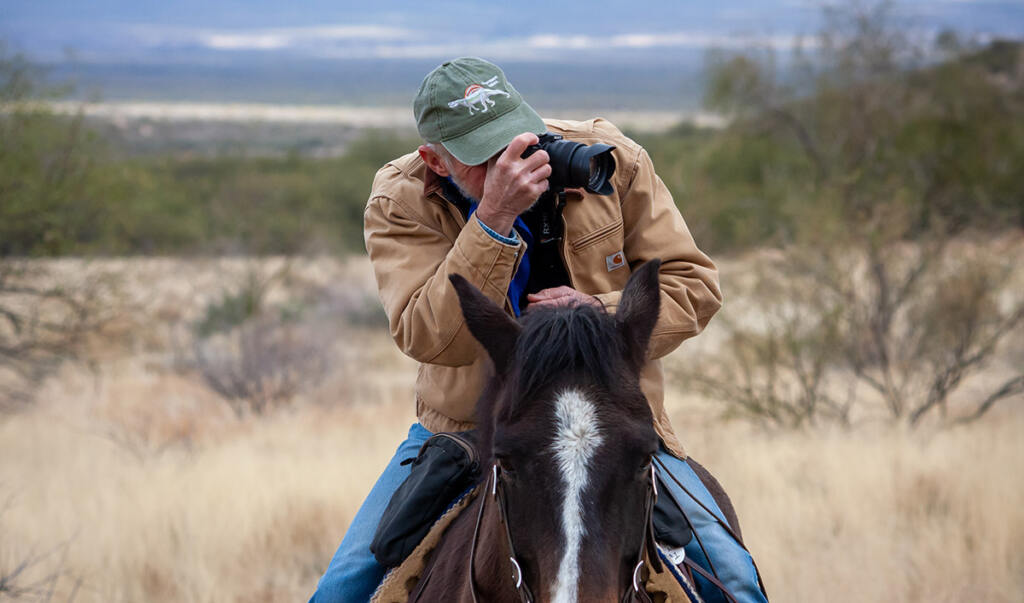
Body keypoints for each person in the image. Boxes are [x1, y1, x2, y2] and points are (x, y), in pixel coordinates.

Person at [310, 57, 766, 603]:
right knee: (341, 591)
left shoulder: (611, 161)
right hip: (463, 429)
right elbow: (429, 336)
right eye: (484, 157)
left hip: (610, 427)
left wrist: (599, 311)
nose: (512, 163)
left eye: (514, 138)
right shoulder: (398, 200)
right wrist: (493, 219)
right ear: (434, 159)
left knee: (733, 582)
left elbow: (695, 284)